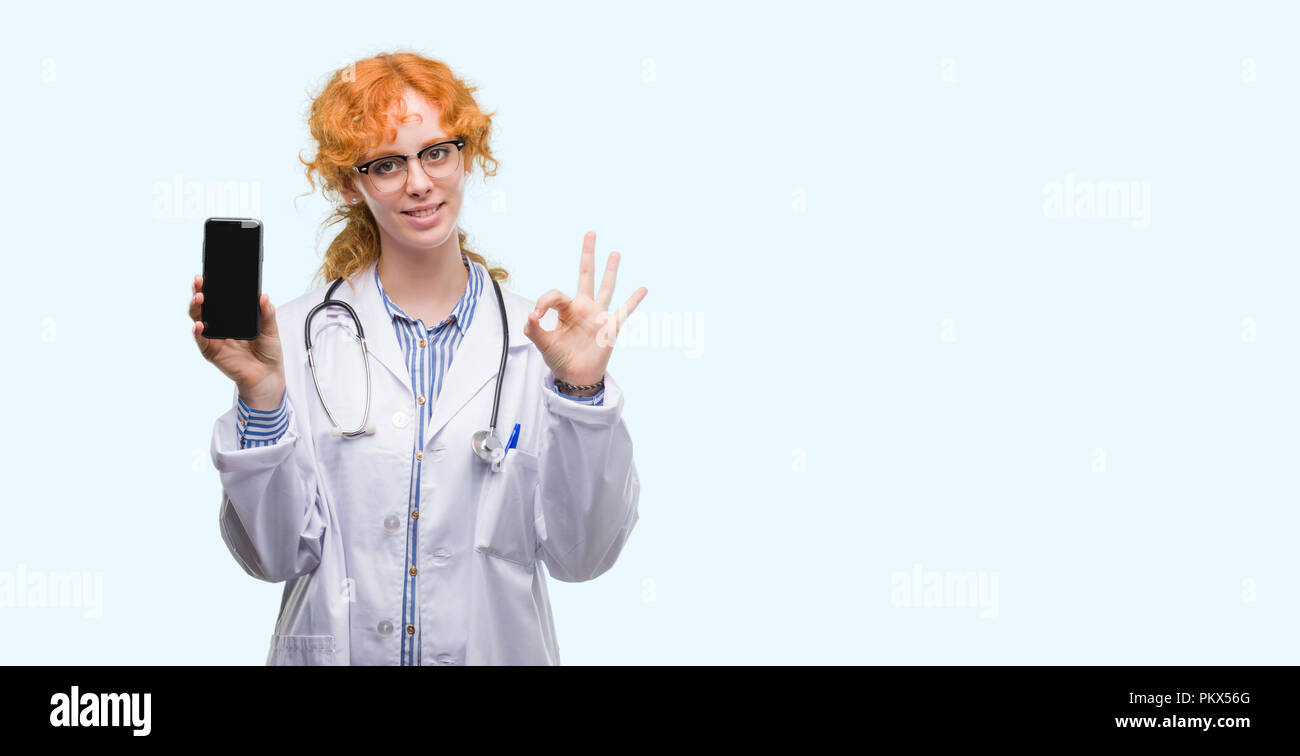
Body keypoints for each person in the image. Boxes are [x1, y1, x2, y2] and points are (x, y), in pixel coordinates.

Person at [187, 51, 647, 665]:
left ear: (467, 154)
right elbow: (271, 557)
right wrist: (261, 397)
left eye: (436, 151)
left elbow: (581, 556)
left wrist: (583, 395)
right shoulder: (293, 338)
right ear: (351, 184)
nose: (419, 182)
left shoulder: (544, 344)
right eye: (386, 163)